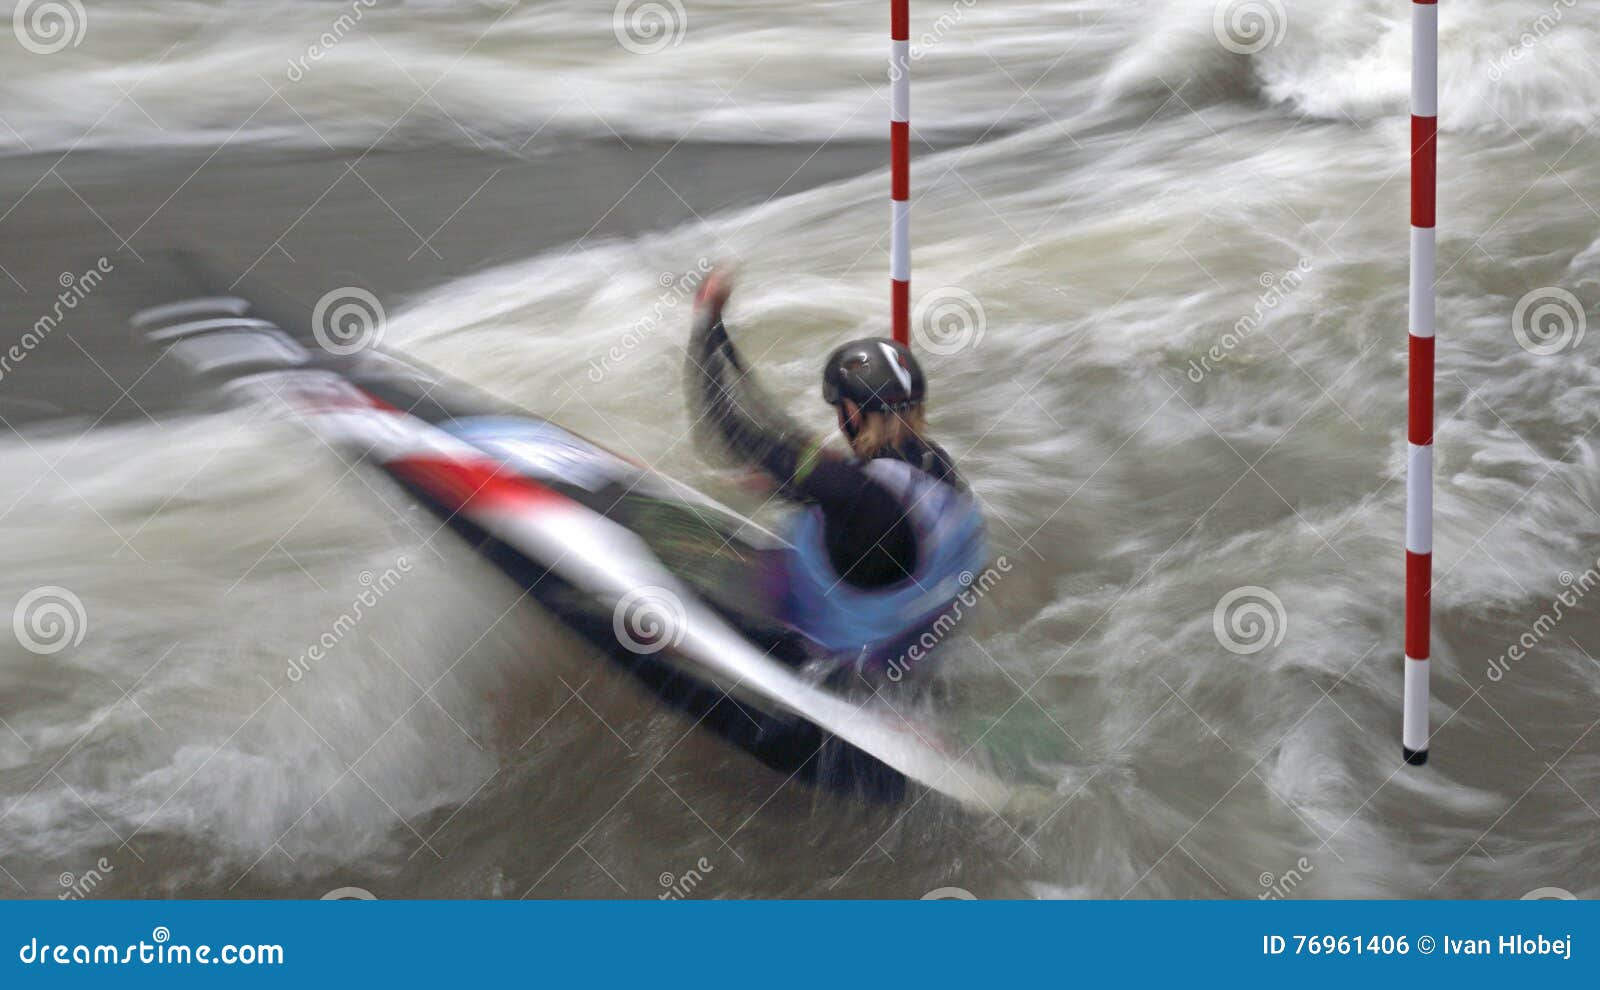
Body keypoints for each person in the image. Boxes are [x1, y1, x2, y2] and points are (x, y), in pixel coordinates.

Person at [686, 268, 988, 673]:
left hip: (838, 656)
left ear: (852, 412)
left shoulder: (847, 488)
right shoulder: (937, 466)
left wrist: (705, 323)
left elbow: (726, 429)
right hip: (915, 639)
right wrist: (794, 484)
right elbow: (867, 506)